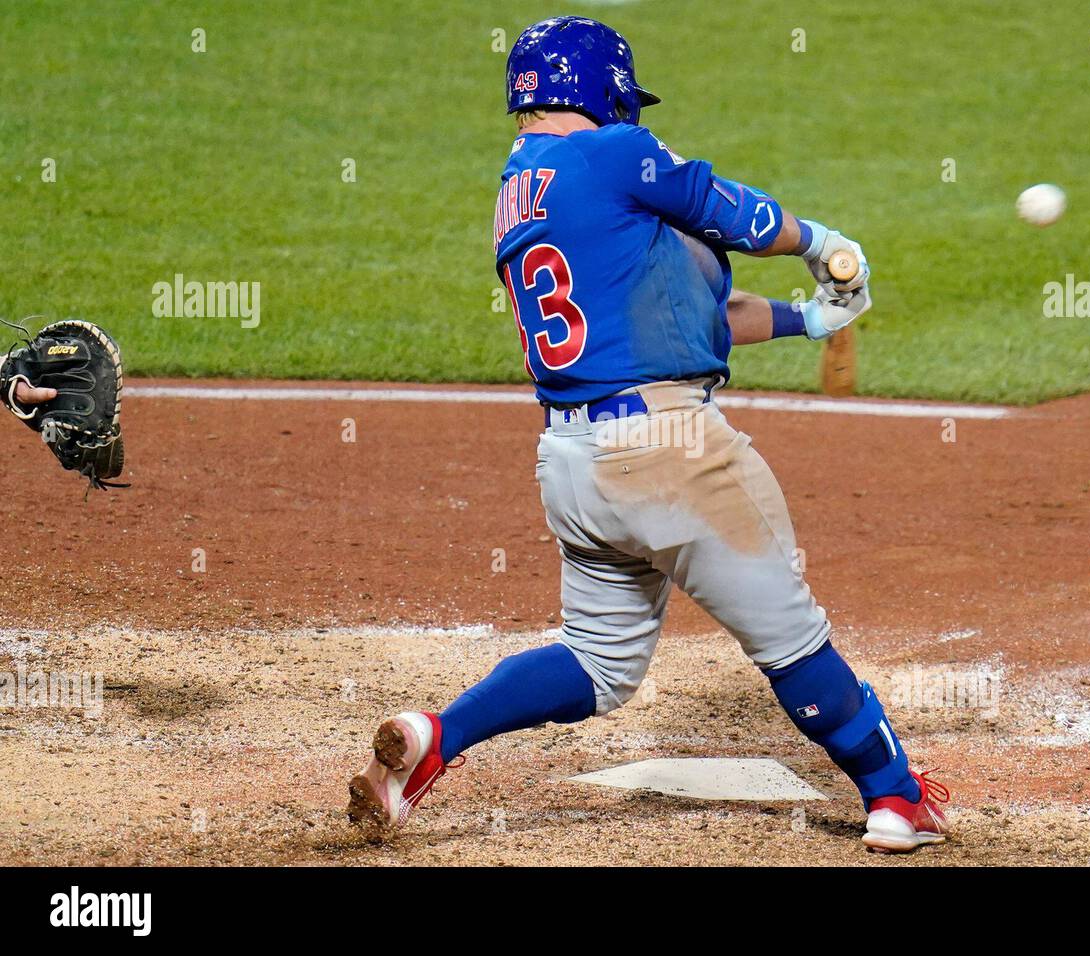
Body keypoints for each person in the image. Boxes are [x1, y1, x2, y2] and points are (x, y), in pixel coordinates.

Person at [348, 15, 950, 852]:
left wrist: (807, 319)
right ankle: (895, 796)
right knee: (792, 637)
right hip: (672, 455)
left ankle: (436, 737)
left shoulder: (521, 191)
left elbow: (682, 315)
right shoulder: (605, 155)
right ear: (603, 93)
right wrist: (819, 241)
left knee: (597, 664)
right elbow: (717, 203)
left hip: (573, 465)